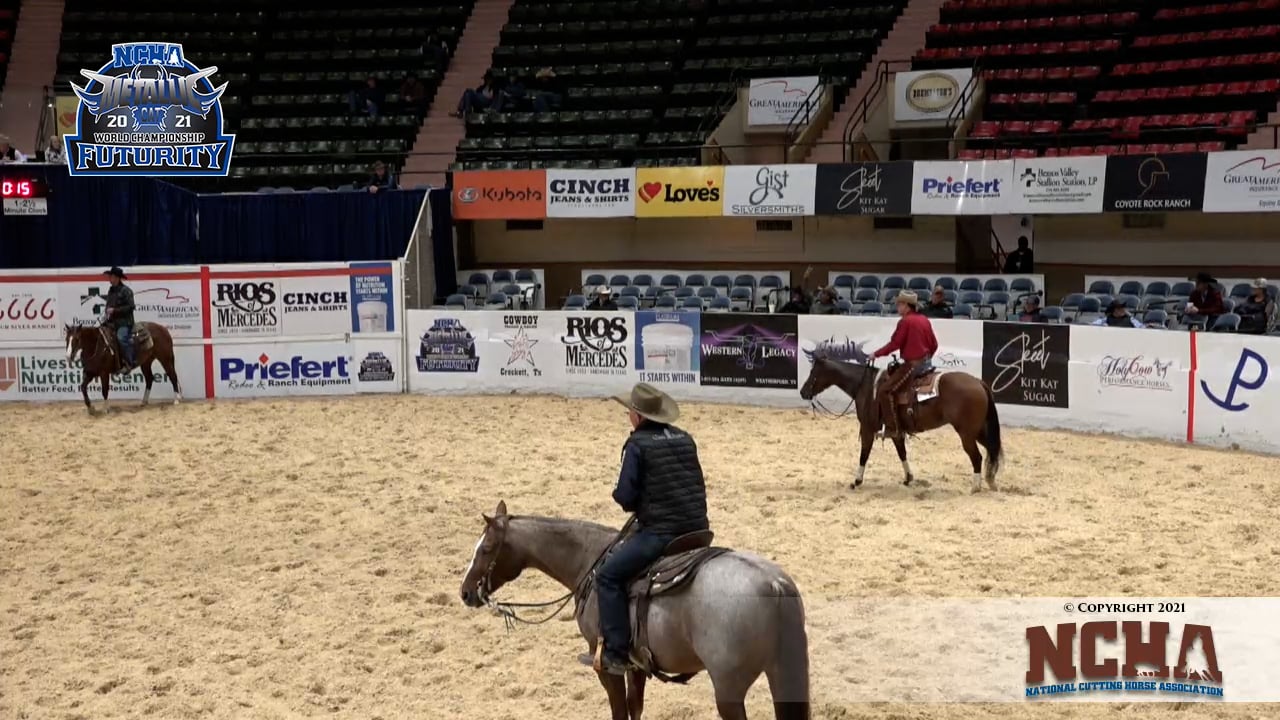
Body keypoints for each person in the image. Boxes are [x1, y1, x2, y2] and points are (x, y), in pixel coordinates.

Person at [596, 382, 709, 675]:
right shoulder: (685, 438)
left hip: (662, 534)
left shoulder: (637, 444)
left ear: (639, 416)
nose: (628, 416)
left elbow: (625, 497)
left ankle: (617, 653)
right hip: (698, 529)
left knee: (607, 576)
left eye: (630, 411)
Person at [870, 291, 938, 439]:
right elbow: (934, 344)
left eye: (899, 304)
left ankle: (893, 428)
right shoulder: (924, 320)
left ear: (907, 306)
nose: (897, 307)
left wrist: (876, 354)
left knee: (884, 390)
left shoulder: (905, 322)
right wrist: (926, 359)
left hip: (913, 365)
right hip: (926, 363)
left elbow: (895, 343)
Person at [103, 266, 137, 374]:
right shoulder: (111, 291)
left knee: (121, 337)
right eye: (110, 276)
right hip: (111, 322)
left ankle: (129, 362)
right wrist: (107, 313)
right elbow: (109, 305)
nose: (110, 279)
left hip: (124, 323)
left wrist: (115, 311)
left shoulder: (127, 291)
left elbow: (131, 307)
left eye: (111, 277)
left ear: (117, 278)